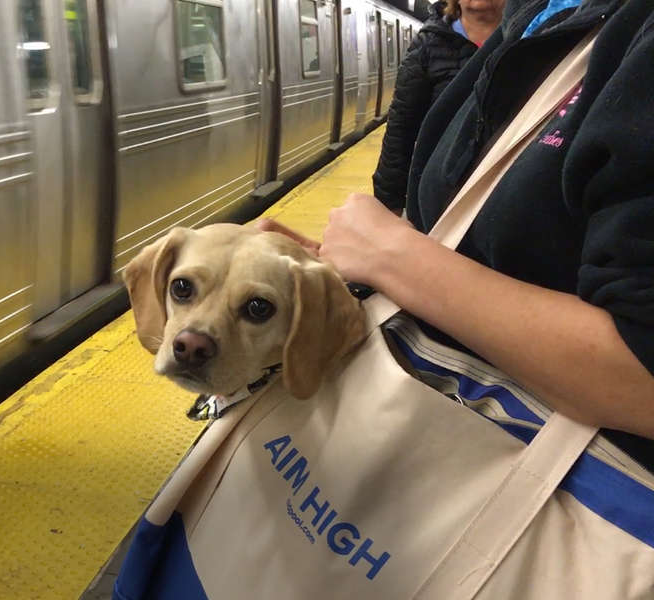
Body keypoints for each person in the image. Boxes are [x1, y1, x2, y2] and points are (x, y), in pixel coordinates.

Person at [261, 0, 654, 469]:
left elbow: (641, 379)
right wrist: (346, 266)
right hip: (443, 439)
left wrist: (392, 256)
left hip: (561, 493)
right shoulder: (537, 19)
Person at [371, 0, 503, 213]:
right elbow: (401, 130)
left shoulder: (528, 38)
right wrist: (388, 206)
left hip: (503, 193)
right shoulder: (428, 45)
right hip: (439, 195)